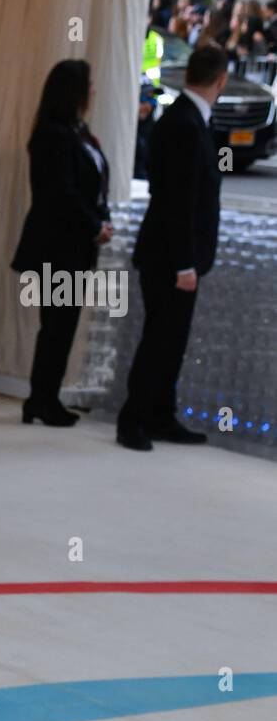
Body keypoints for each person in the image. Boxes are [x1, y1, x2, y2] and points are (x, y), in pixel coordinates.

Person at [117, 44, 226, 451]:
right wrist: (184, 263)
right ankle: (134, 418)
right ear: (220, 80)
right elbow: (177, 202)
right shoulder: (184, 124)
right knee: (160, 339)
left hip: (174, 255)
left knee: (171, 340)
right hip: (170, 258)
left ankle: (160, 415)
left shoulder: (186, 118)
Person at [11, 60, 111, 428]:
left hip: (75, 246)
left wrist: (102, 220)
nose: (94, 92)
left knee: (61, 325)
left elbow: (92, 185)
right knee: (55, 325)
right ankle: (41, 399)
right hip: (56, 247)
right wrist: (93, 225)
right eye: (89, 86)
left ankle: (43, 397)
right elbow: (60, 193)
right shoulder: (53, 135)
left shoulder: (76, 131)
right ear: (74, 92)